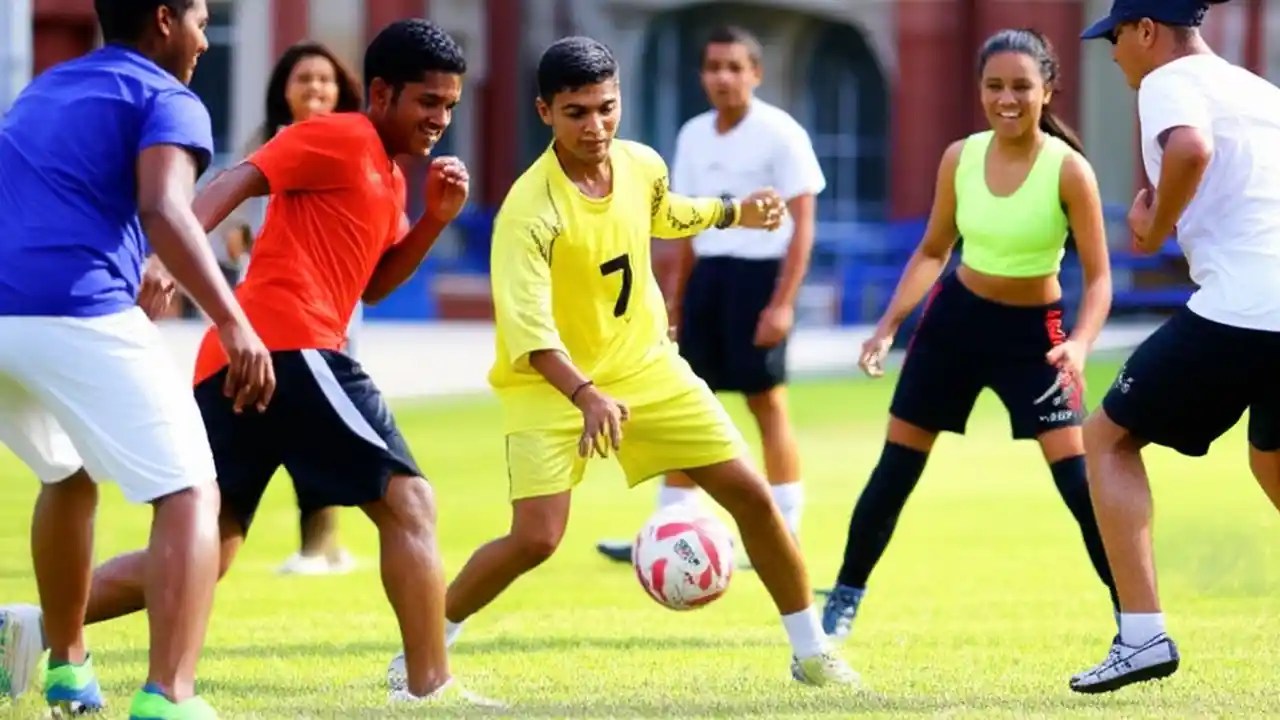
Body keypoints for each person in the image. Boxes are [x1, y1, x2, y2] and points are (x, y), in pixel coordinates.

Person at [40, 18, 492, 707]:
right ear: (379, 93)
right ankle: (429, 690)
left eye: (450, 104)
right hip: (287, 345)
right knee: (411, 502)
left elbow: (372, 284)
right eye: (427, 101)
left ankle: (31, 628)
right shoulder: (337, 134)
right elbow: (238, 179)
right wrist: (165, 256)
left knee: (204, 556)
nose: (440, 118)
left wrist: (433, 219)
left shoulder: (391, 177)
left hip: (242, 361)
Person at [388, 36, 857, 689]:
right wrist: (585, 395)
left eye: (607, 108)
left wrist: (736, 212)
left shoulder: (640, 163)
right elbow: (529, 331)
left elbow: (666, 213)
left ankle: (812, 654)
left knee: (752, 496)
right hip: (549, 388)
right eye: (577, 112)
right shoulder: (530, 207)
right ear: (545, 111)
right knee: (536, 539)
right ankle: (418, 657)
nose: (596, 126)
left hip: (647, 368)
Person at [0, 0, 274, 717]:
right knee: (189, 493)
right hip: (74, 309)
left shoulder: (48, 86)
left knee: (66, 473)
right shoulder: (166, 96)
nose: (206, 41)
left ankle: (67, 668)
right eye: (202, 21)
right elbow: (164, 207)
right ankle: (169, 698)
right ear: (163, 18)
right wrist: (233, 318)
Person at [819, 28, 1119, 642]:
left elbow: (1100, 278)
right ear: (980, 90)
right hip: (954, 325)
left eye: (1021, 87)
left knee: (1081, 485)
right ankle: (844, 597)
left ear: (1047, 90)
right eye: (994, 86)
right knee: (895, 471)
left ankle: (1133, 616)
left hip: (1037, 339)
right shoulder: (960, 156)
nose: (1006, 99)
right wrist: (887, 326)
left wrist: (1080, 344)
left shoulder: (1070, 171)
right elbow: (934, 249)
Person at [1071, 0, 1280, 694]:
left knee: (1106, 439)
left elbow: (1190, 149)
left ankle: (1142, 637)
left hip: (1245, 306)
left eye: (1116, 38)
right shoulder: (1256, 88)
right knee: (1272, 461)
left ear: (1148, 31)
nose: (1112, 53)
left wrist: (1156, 226)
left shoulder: (1168, 81)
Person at [595, 25, 825, 566]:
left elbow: (804, 222)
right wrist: (673, 299)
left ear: (755, 74)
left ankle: (784, 528)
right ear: (701, 75)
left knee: (767, 403)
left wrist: (783, 302)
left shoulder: (781, 133)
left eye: (734, 67)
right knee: (685, 402)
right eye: (713, 67)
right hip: (707, 279)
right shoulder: (694, 134)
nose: (722, 77)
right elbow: (683, 223)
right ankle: (668, 528)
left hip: (761, 275)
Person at [237, 40, 365, 577]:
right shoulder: (265, 146)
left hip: (328, 309)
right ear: (282, 91)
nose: (315, 88)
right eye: (303, 79)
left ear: (342, 92)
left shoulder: (351, 148)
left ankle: (322, 545)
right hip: (264, 310)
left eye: (325, 80)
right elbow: (235, 221)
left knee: (319, 426)